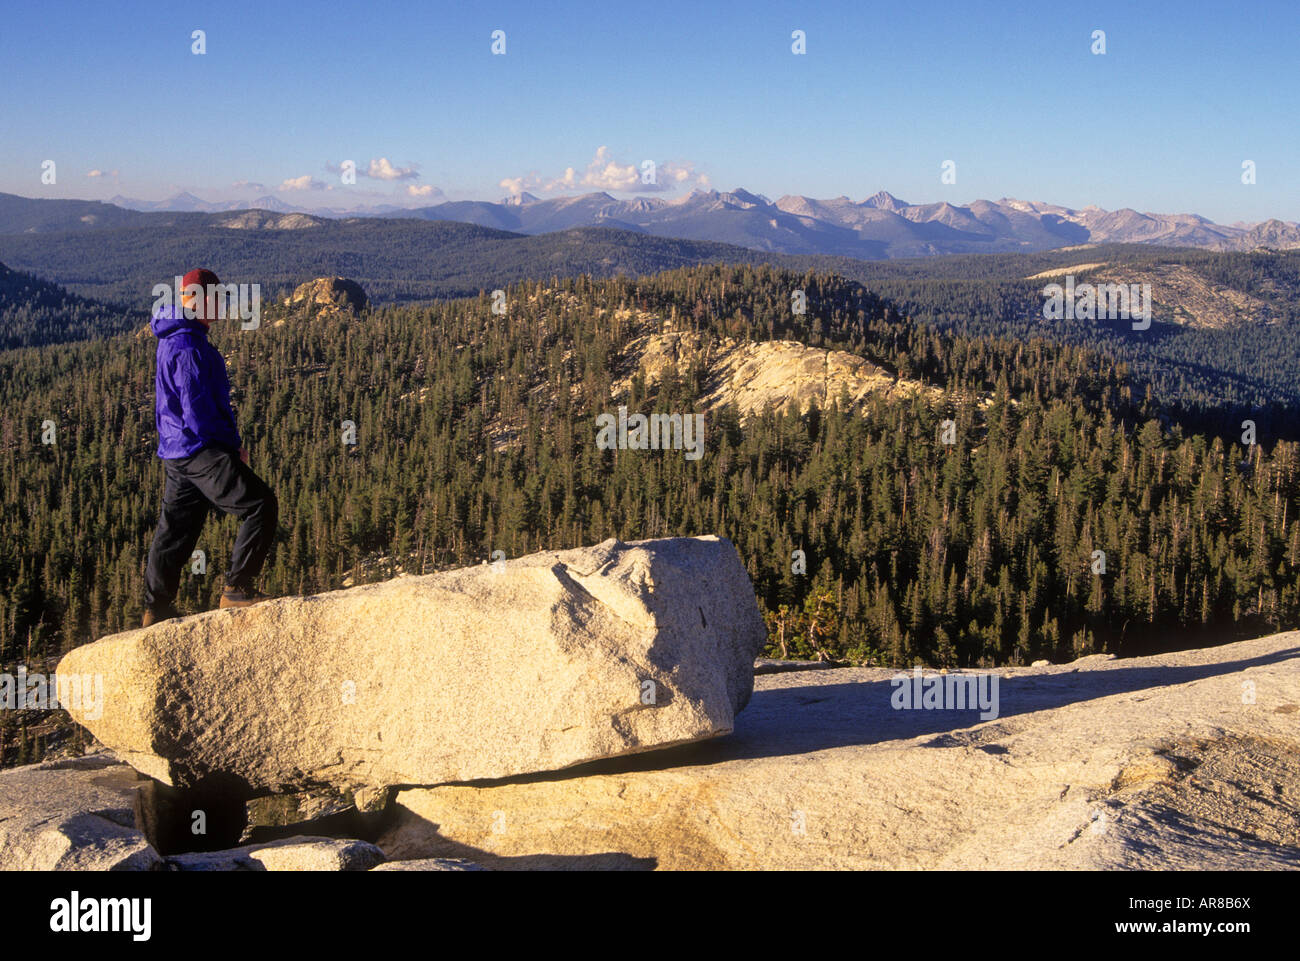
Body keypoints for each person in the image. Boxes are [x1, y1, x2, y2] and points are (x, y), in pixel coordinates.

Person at [141, 268, 277, 626]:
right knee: (260, 505)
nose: (222, 308)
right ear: (200, 300)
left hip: (176, 450)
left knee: (175, 531)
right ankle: (238, 589)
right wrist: (231, 448)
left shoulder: (174, 335)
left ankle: (156, 608)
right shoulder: (188, 345)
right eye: (218, 299)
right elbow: (198, 409)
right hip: (200, 448)